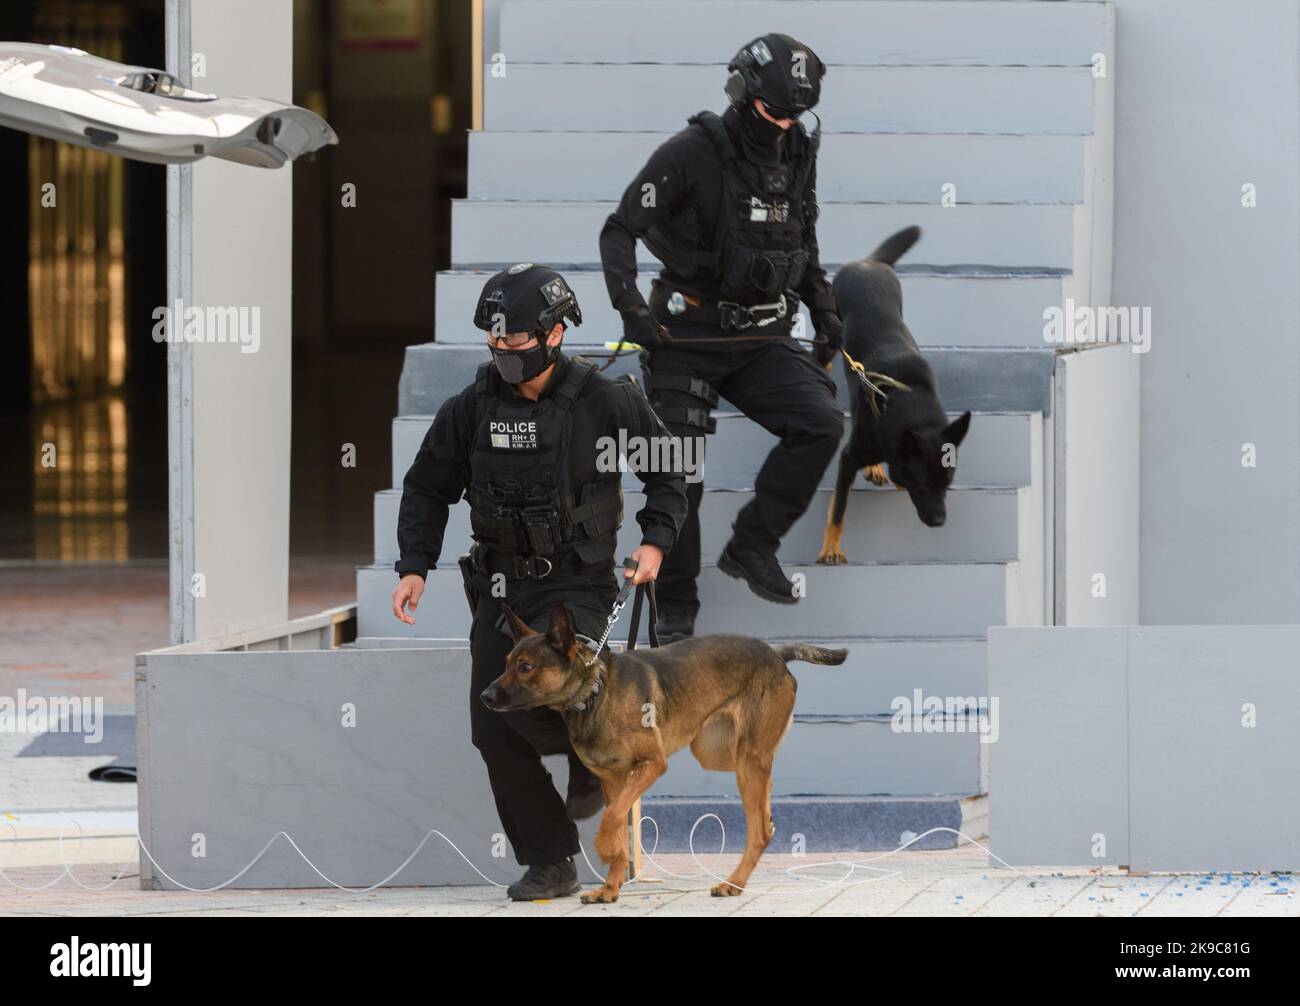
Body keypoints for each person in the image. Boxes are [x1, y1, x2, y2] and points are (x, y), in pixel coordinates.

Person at [390, 263, 687, 901]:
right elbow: (426, 488)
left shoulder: (605, 398)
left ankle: (590, 758)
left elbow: (670, 472)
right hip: (500, 593)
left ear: (554, 333)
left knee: (572, 689)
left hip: (578, 587)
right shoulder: (472, 408)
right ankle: (551, 859)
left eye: (516, 341)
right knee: (492, 723)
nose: (504, 353)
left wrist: (656, 541)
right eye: (494, 343)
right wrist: (415, 563)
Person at [598, 32, 844, 642]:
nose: (782, 124)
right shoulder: (690, 153)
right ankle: (677, 605)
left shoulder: (796, 153)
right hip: (685, 334)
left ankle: (752, 545)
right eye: (772, 111)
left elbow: (801, 245)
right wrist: (630, 308)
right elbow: (619, 229)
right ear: (740, 93)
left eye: (795, 115)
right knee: (678, 468)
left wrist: (826, 310)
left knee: (822, 423)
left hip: (762, 336)